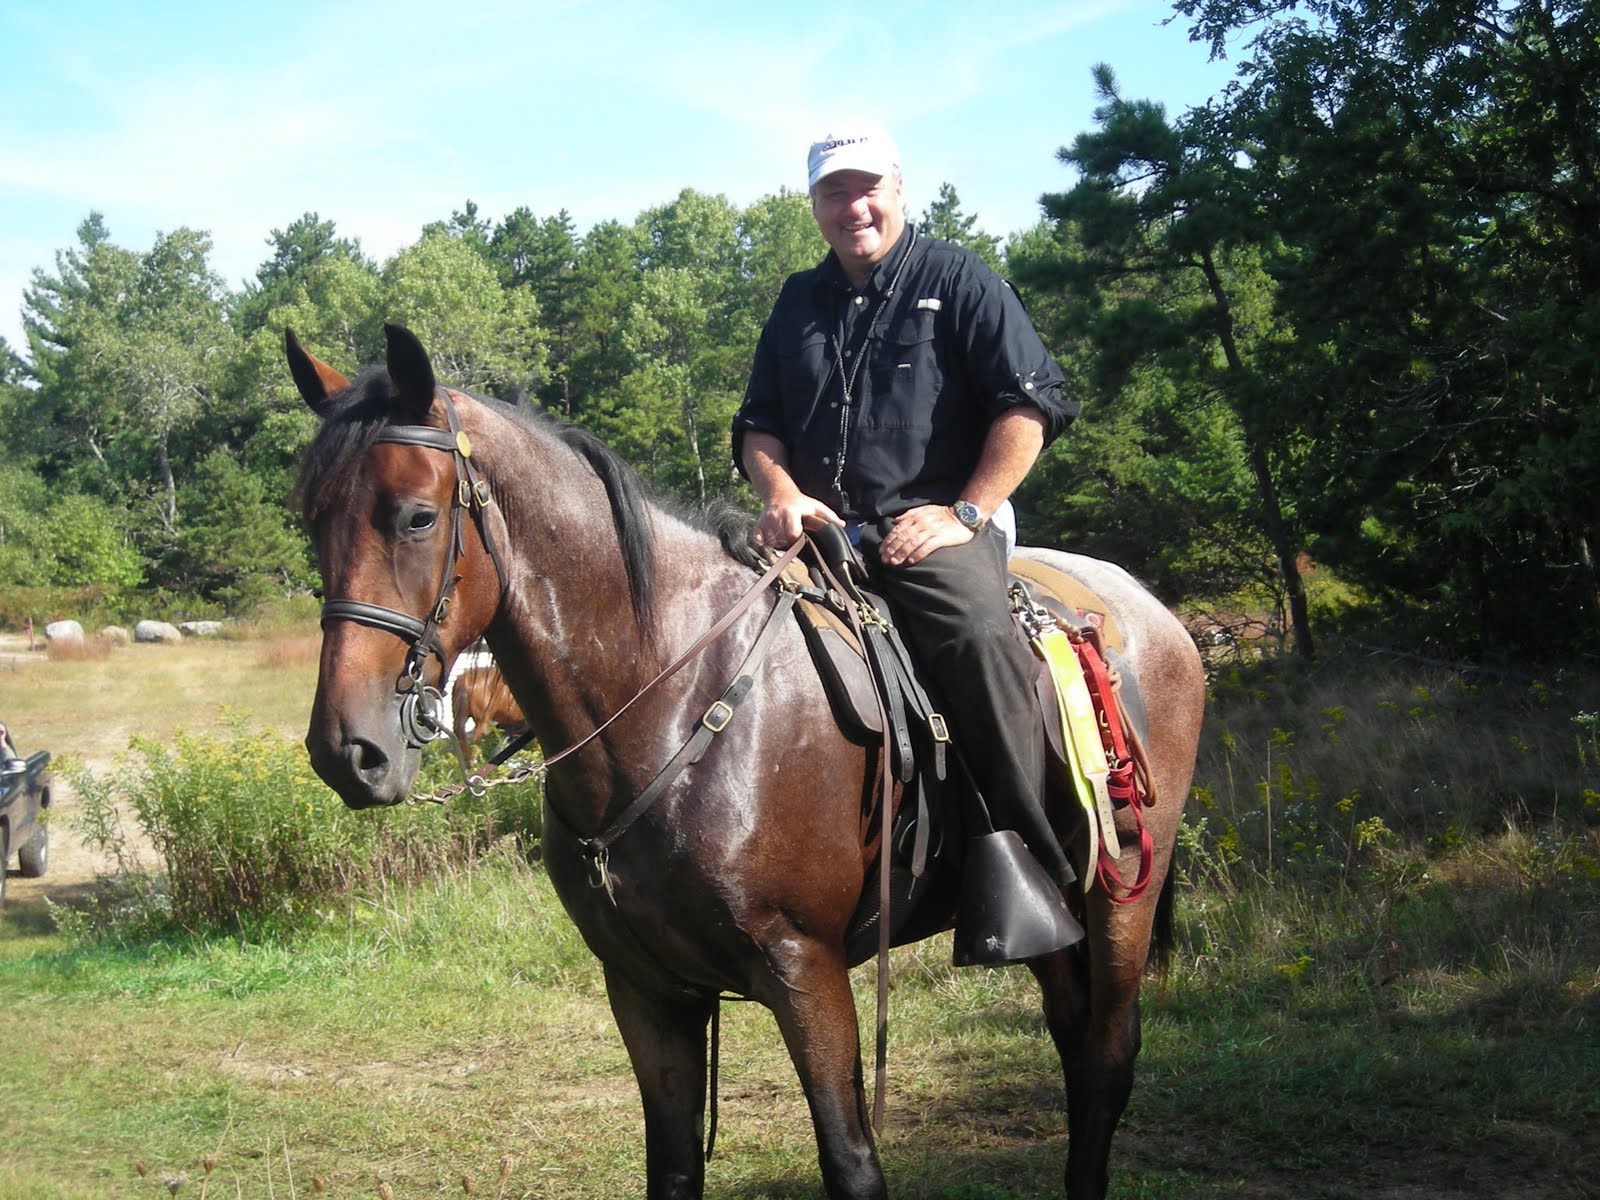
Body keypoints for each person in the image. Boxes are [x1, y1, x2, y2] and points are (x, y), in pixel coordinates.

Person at [733, 122, 1080, 943]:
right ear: (814, 205)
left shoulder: (958, 278)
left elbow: (1029, 406)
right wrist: (782, 492)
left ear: (898, 191)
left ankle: (1029, 863)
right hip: (820, 534)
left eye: (867, 188)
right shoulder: (796, 301)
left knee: (975, 636)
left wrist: (965, 514)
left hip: (936, 530)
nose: (853, 206)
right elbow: (758, 425)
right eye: (834, 192)